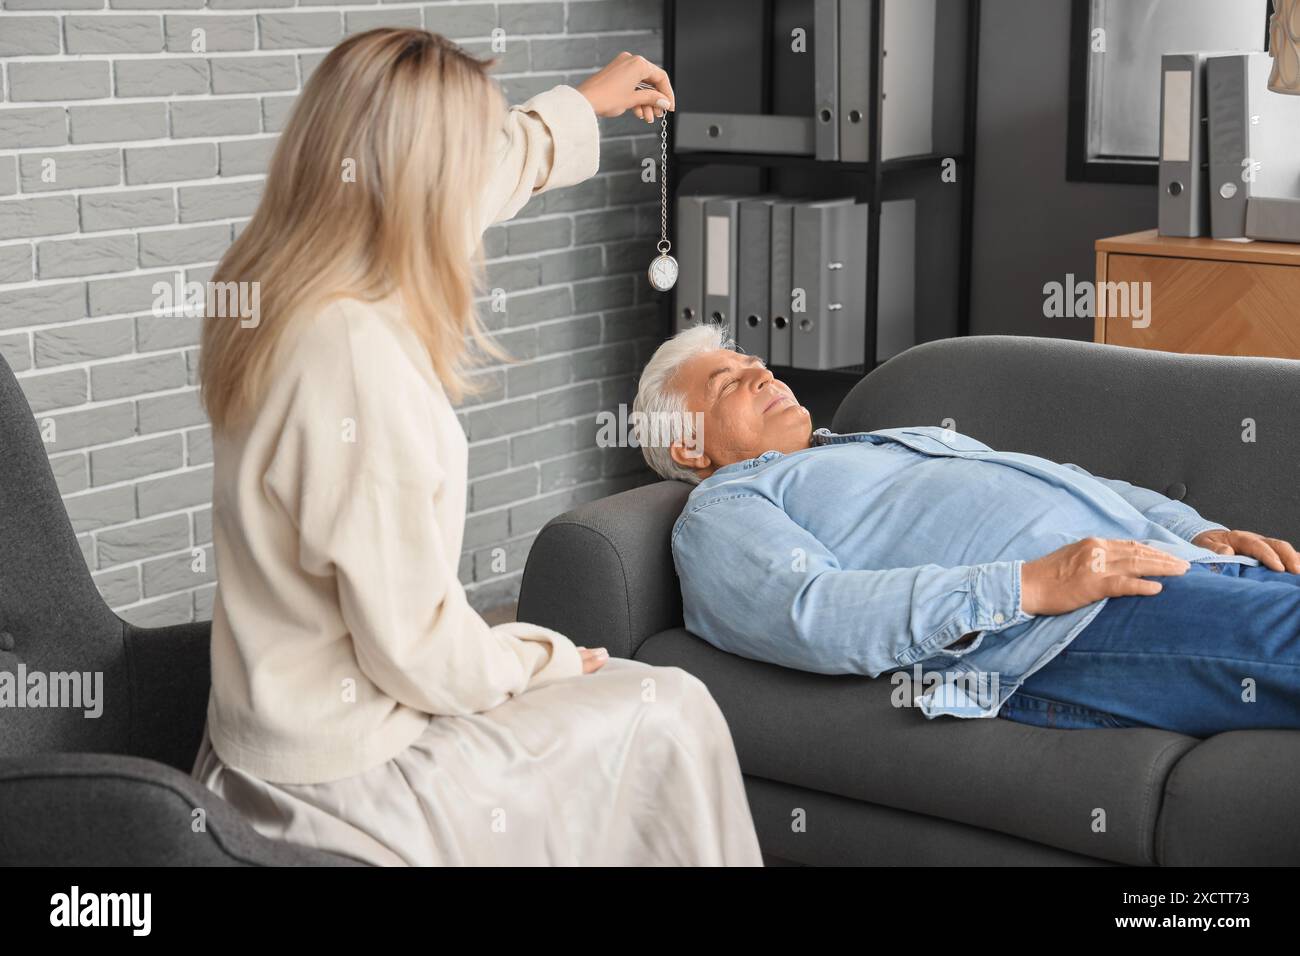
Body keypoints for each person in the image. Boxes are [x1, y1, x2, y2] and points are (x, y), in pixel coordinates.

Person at [190, 30, 763, 867]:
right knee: (672, 710)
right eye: (469, 150)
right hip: (350, 783)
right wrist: (543, 652)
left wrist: (583, 107)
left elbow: (482, 176)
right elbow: (419, 651)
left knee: (644, 708)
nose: (481, 177)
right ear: (424, 184)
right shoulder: (355, 355)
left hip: (262, 745)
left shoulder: (273, 289)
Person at [634, 322, 1300, 737]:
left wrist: (1198, 530)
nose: (761, 373)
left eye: (753, 363)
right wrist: (1029, 586)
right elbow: (811, 611)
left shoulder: (880, 442)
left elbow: (1068, 476)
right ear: (688, 446)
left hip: (1173, 564)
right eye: (729, 383)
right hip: (1068, 624)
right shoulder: (726, 508)